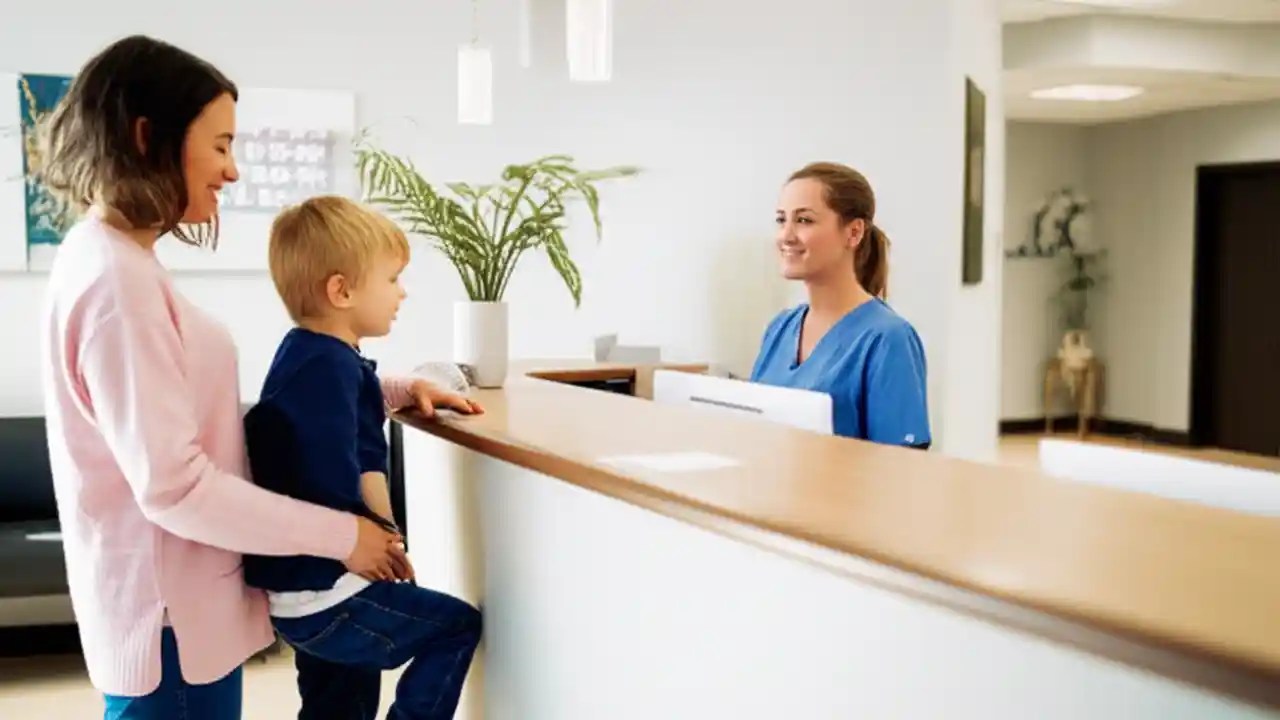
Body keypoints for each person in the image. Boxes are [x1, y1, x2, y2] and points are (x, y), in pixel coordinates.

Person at [37, 35, 468, 719]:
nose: (231, 171)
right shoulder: (117, 283)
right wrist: (343, 536)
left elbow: (224, 422)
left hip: (180, 611)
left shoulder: (117, 263)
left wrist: (388, 391)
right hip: (169, 619)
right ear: (149, 137)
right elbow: (175, 484)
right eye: (220, 145)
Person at [242, 195, 483, 720]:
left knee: (338, 707)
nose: (402, 293)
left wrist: (407, 387)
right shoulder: (328, 369)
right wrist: (368, 541)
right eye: (392, 279)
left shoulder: (312, 355)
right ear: (342, 290)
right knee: (456, 626)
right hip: (330, 589)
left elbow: (351, 408)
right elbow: (328, 471)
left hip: (303, 594)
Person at [749, 162, 931, 448]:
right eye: (781, 220)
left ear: (854, 233)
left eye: (804, 220)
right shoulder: (779, 329)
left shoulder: (887, 339)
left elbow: (903, 469)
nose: (786, 235)